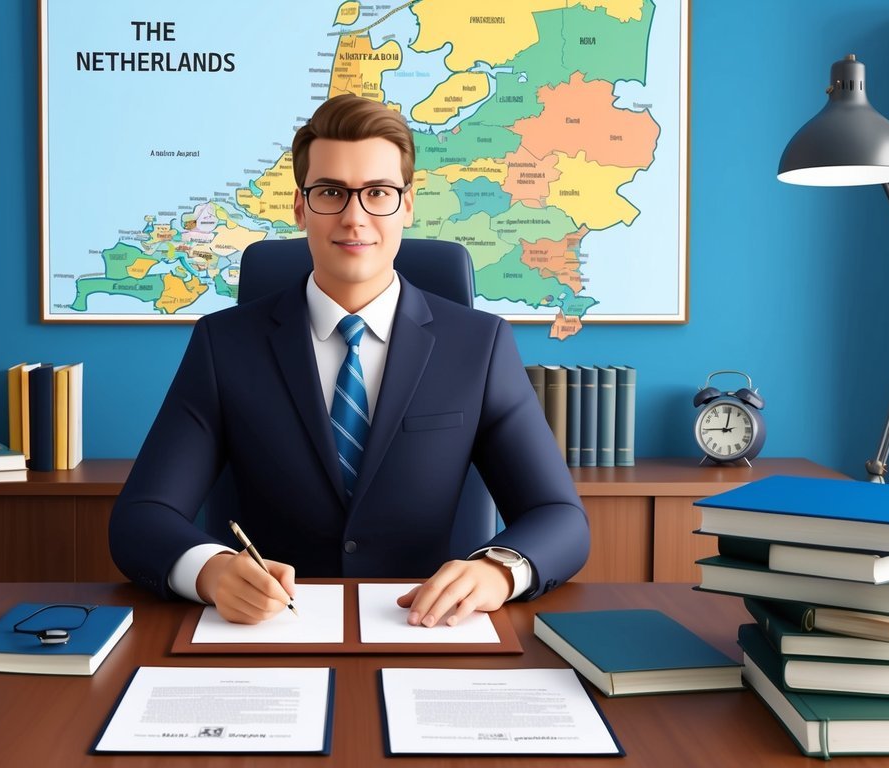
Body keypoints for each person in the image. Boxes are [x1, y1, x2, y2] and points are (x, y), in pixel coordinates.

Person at [110, 94, 589, 627]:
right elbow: (141, 518)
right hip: (270, 637)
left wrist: (499, 571)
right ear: (300, 206)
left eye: (378, 193)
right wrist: (211, 570)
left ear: (407, 204)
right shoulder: (225, 345)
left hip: (425, 632)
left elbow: (560, 518)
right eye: (331, 192)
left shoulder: (480, 346)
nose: (354, 217)